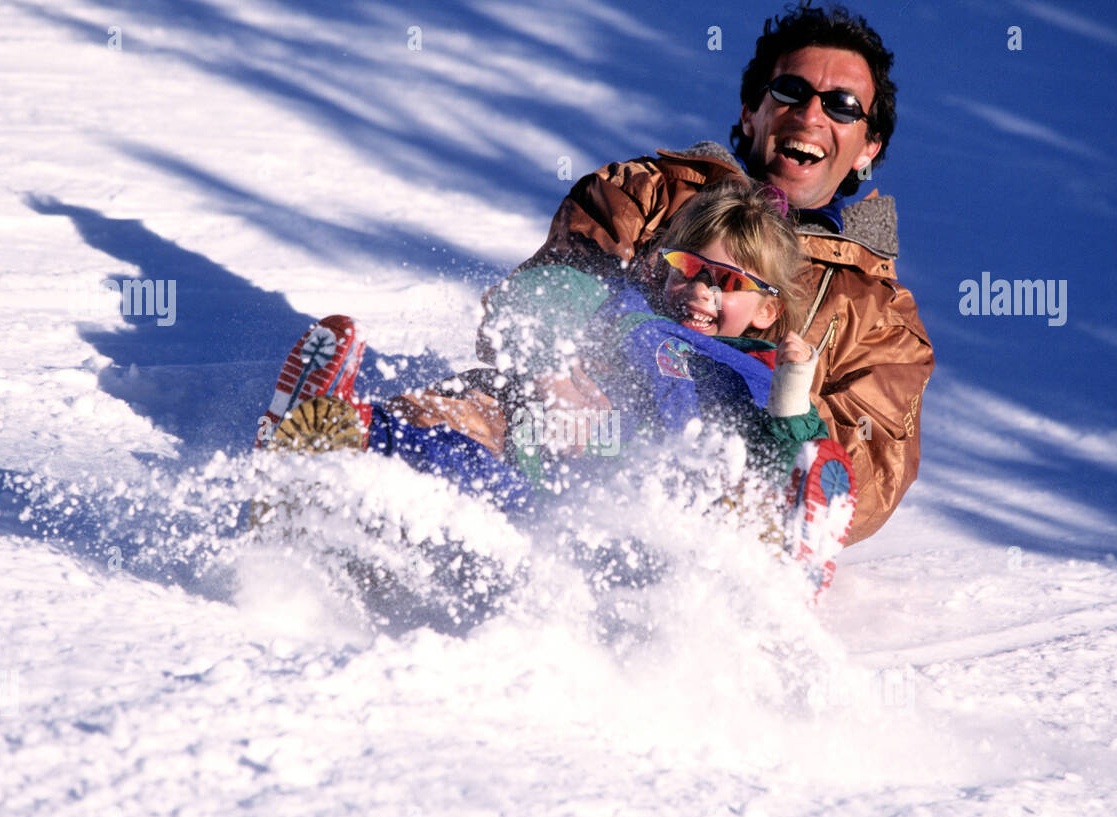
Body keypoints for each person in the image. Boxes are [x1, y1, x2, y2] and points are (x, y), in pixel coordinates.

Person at [256, 181, 857, 594]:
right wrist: (547, 366)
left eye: (727, 282)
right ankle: (337, 436)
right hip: (537, 468)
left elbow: (785, 450)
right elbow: (537, 298)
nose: (702, 292)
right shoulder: (623, 306)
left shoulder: (751, 372)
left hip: (648, 517)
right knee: (458, 430)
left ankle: (790, 556)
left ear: (767, 310)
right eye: (690, 269)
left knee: (746, 488)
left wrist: (791, 397)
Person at [476, 4, 933, 546]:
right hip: (561, 433)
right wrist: (553, 369)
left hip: (720, 518)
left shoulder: (881, 316)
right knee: (461, 421)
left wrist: (767, 427)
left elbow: (871, 473)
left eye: (841, 105)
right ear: (751, 113)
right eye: (790, 90)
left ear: (868, 148)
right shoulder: (651, 194)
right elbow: (551, 290)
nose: (810, 115)